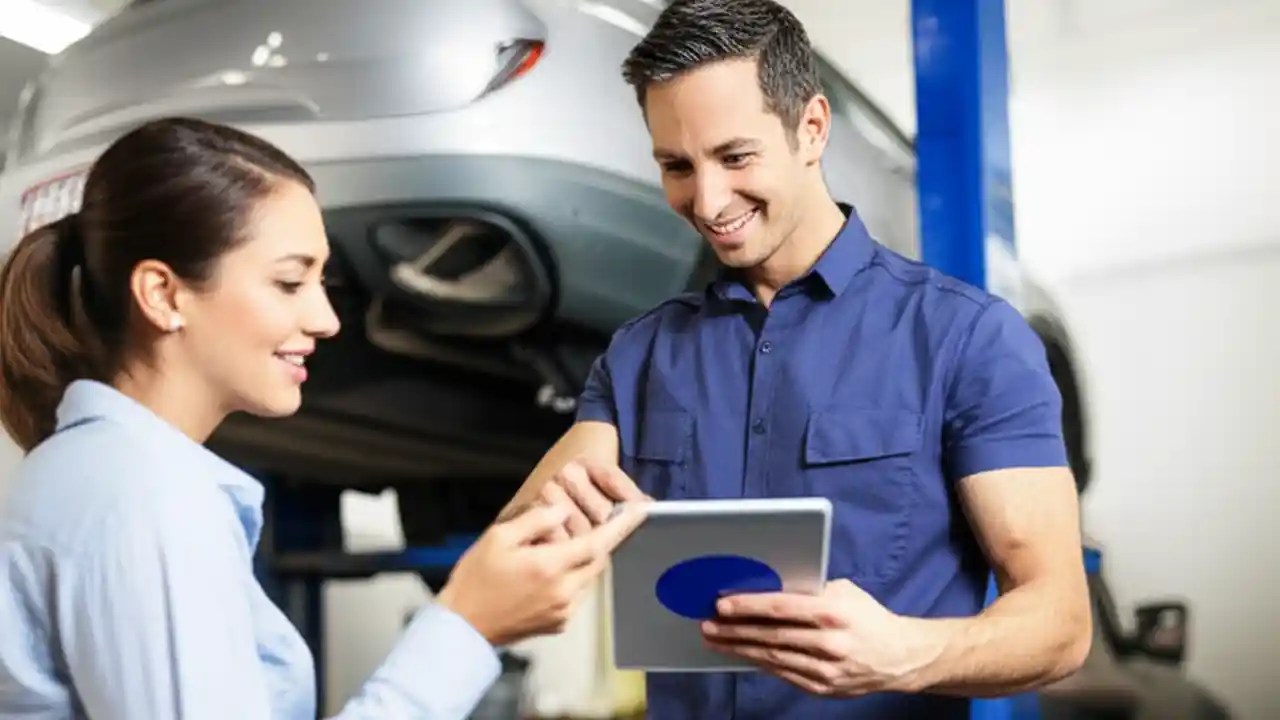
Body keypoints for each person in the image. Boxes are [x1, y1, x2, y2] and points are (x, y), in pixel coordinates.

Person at [496, 0, 1093, 718]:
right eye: (676, 165)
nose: (709, 200)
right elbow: (515, 550)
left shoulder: (966, 338)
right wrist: (545, 536)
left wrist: (902, 652)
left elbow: (1060, 624)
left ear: (811, 128)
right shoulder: (642, 355)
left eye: (735, 156)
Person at [0, 117, 645, 720]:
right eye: (289, 283)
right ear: (164, 295)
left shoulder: (110, 476)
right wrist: (469, 623)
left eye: (321, 283)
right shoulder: (142, 497)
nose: (326, 320)